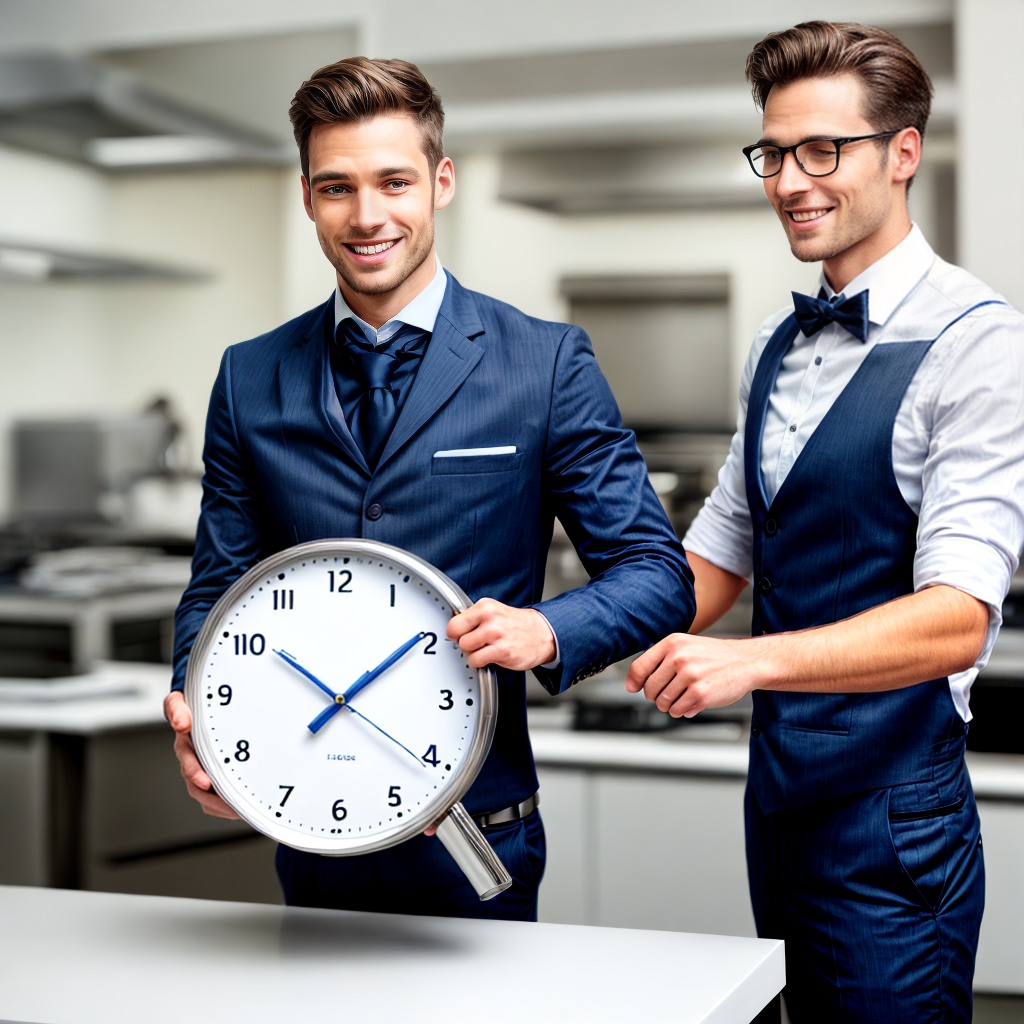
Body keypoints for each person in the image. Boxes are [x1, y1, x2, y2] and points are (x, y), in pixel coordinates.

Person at [164, 56, 694, 922]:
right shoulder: (248, 377)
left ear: (441, 182)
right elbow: (219, 587)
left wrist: (545, 629)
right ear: (307, 197)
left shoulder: (546, 363)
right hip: (309, 838)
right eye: (336, 187)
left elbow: (657, 575)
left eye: (394, 182)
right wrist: (196, 716)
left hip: (477, 841)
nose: (367, 215)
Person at [626, 21, 1024, 1022]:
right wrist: (554, 635)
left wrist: (747, 663)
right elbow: (718, 553)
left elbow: (957, 617)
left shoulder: (979, 344)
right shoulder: (776, 340)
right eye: (773, 154)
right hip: (778, 804)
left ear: (902, 152)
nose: (789, 182)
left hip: (893, 824)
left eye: (822, 150)